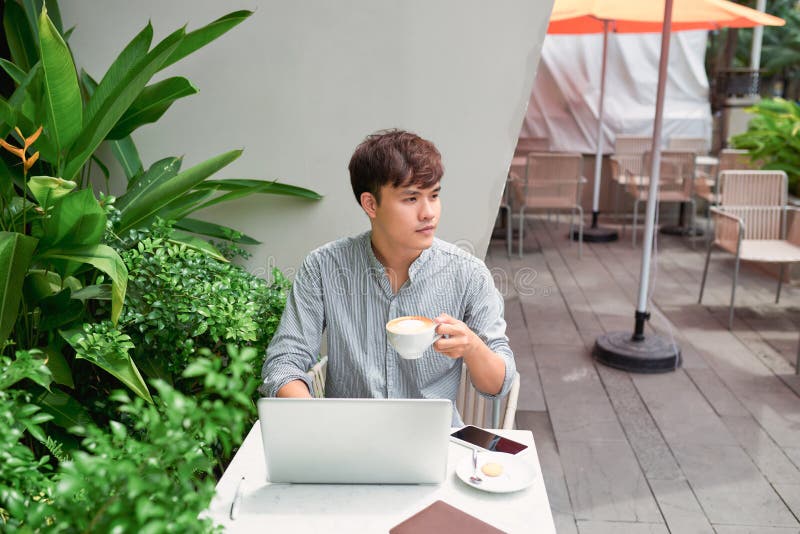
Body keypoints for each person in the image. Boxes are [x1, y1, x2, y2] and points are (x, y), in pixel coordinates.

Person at [260, 129, 515, 425]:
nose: (429, 213)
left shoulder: (468, 274)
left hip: (435, 445)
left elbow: (499, 385)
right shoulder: (322, 267)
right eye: (411, 198)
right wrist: (322, 425)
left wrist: (471, 346)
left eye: (434, 196)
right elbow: (283, 364)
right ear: (371, 204)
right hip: (348, 444)